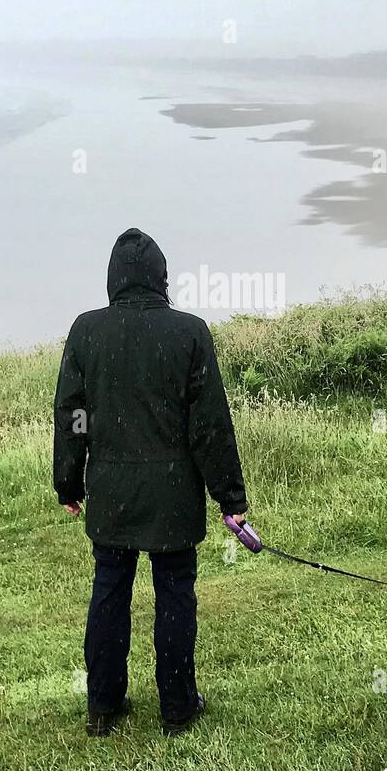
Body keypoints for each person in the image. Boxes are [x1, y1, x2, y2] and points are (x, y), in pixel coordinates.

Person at [53, 228, 248, 737]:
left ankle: (102, 706)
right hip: (173, 494)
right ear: (162, 276)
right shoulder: (189, 332)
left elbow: (75, 416)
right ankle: (178, 708)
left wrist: (69, 483)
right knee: (175, 594)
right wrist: (230, 497)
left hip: (112, 493)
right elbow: (208, 424)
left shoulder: (86, 331)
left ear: (113, 279)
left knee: (110, 592)